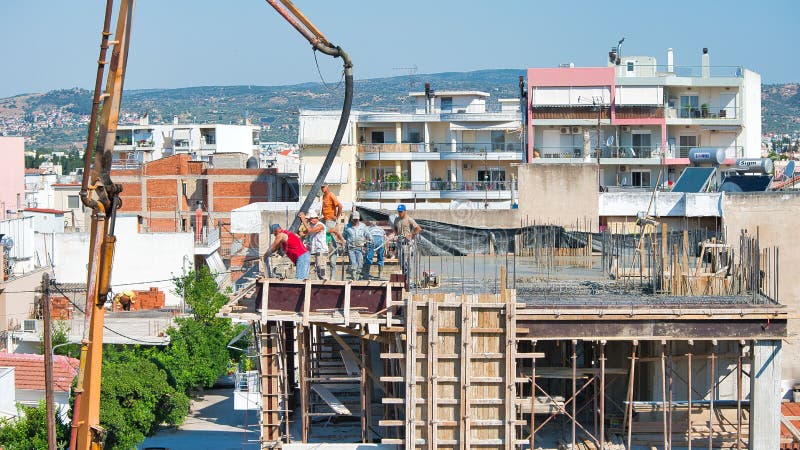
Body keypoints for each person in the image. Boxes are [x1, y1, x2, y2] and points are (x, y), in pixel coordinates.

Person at [392, 204, 422, 279]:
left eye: (401, 212)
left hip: (406, 244)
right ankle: (403, 277)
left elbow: (418, 228)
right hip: (399, 243)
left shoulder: (409, 219)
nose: (400, 213)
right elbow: (395, 228)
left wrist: (411, 235)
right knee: (401, 261)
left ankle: (409, 279)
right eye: (399, 212)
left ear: (405, 211)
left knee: (407, 262)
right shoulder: (396, 219)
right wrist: (395, 234)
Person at [298, 210, 328, 280]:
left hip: (322, 250)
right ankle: (322, 283)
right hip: (316, 250)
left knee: (321, 268)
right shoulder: (312, 226)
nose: (310, 221)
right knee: (318, 269)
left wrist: (303, 220)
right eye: (309, 220)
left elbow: (310, 230)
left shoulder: (320, 225)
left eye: (310, 219)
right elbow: (303, 233)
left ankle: (325, 283)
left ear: (315, 218)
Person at [342, 211, 370, 280]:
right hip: (351, 248)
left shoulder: (363, 226)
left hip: (360, 247)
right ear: (352, 219)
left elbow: (367, 234)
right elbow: (344, 236)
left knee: (360, 263)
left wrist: (370, 239)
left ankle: (357, 277)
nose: (355, 221)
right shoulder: (347, 227)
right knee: (353, 263)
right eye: (354, 219)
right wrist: (343, 242)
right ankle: (354, 278)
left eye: (356, 219)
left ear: (359, 219)